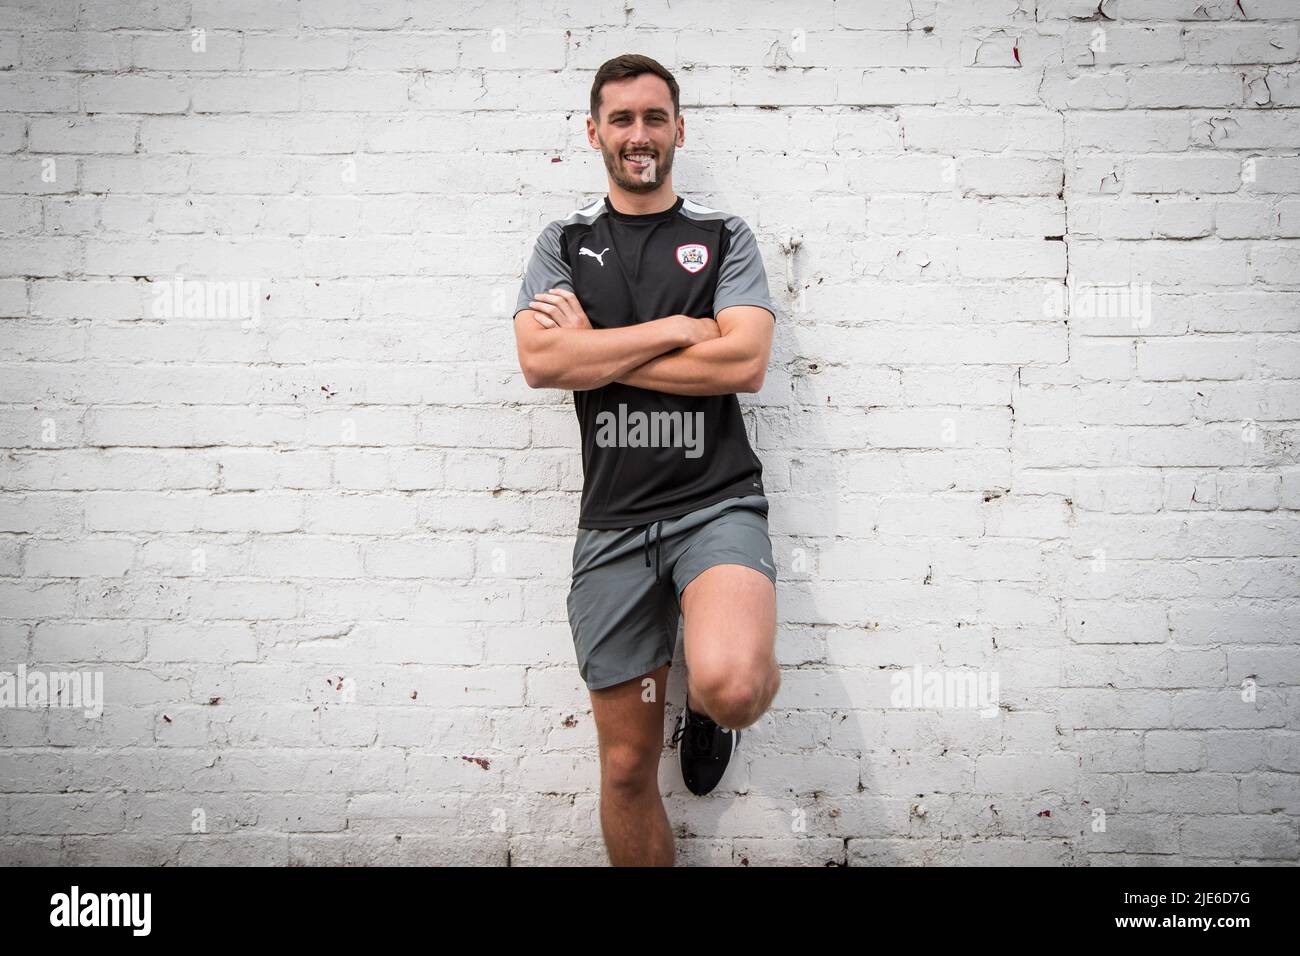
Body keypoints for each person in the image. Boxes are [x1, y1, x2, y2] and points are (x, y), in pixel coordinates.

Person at [511, 53, 779, 866]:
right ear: (594, 132)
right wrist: (673, 330)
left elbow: (743, 365)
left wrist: (594, 348)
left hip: (716, 501)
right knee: (627, 766)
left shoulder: (721, 236)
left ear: (678, 130)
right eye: (621, 119)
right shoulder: (565, 241)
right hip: (615, 521)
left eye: (654, 118)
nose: (639, 135)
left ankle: (699, 703)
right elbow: (540, 363)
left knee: (733, 686)